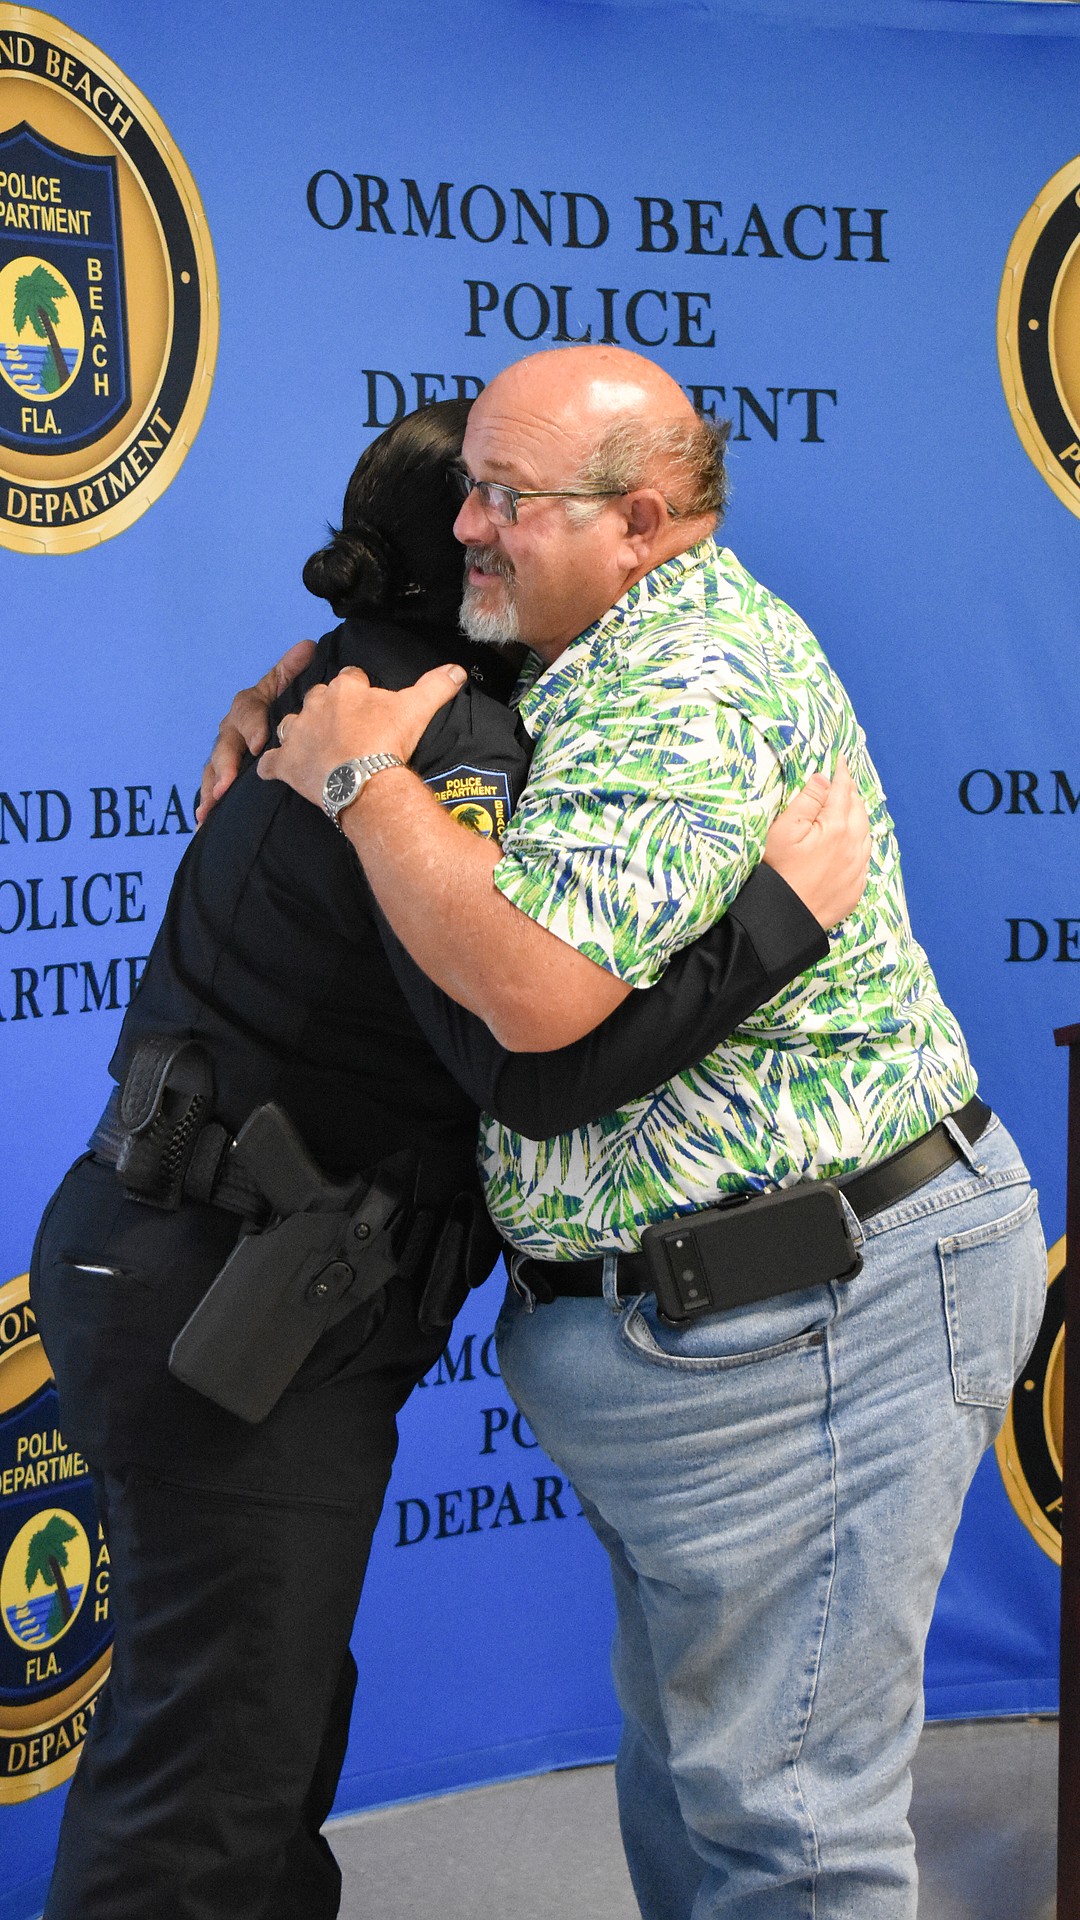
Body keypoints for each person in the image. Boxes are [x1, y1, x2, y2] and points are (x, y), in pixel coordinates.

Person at [29, 397, 868, 1920]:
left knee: (244, 1739)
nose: (508, 529)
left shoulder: (349, 688)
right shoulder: (433, 741)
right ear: (468, 556)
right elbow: (527, 1061)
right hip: (236, 1311)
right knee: (208, 1794)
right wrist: (782, 919)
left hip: (192, 1274)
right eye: (489, 502)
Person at [259, 345, 1048, 1920]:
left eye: (510, 498)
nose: (467, 525)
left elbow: (535, 1000)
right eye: (469, 481)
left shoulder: (681, 681)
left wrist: (355, 776)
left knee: (788, 1836)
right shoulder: (578, 640)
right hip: (707, 1342)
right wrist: (300, 691)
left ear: (646, 519)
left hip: (806, 1320)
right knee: (703, 1793)